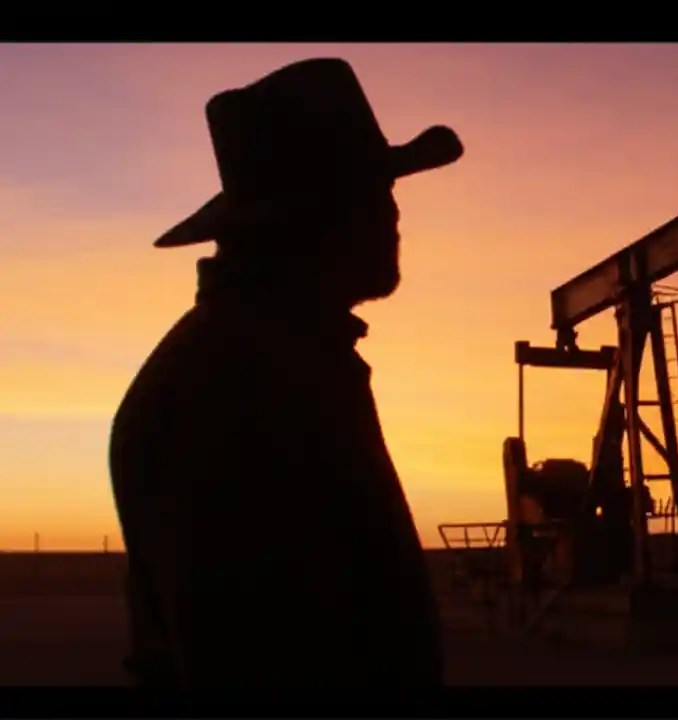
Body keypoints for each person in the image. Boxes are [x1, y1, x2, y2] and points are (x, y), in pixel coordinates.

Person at [108, 57, 464, 687]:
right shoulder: (238, 386)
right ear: (309, 214)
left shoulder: (280, 359)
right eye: (375, 191)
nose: (394, 212)